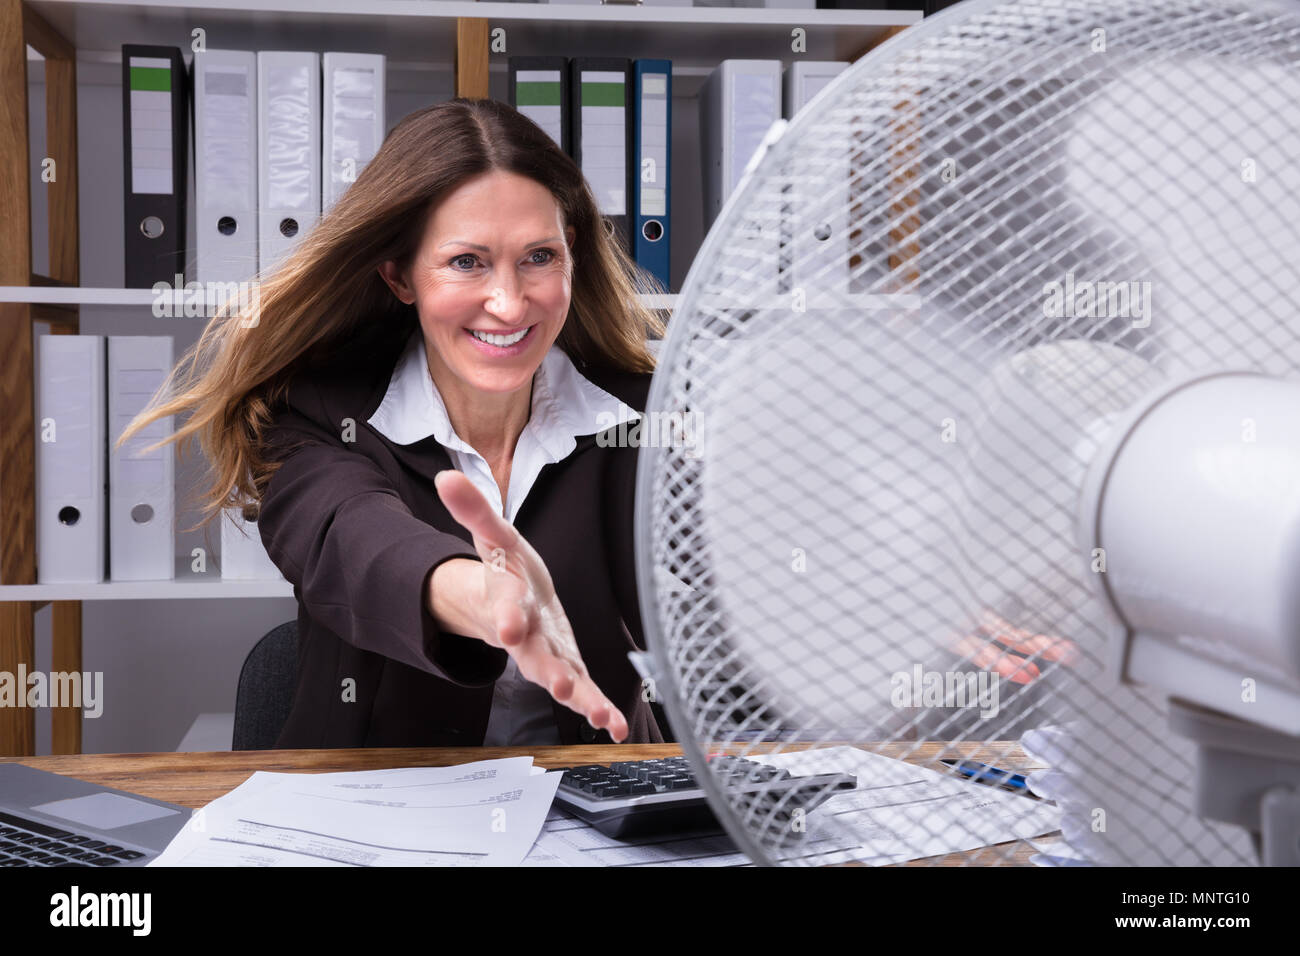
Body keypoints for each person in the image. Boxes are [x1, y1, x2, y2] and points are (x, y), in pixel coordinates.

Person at [119, 98, 668, 748]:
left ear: (571, 255)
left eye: (538, 256)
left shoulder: (647, 417)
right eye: (467, 261)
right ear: (399, 276)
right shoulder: (322, 409)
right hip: (377, 808)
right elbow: (348, 537)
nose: (509, 301)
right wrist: (482, 598)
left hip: (601, 812)